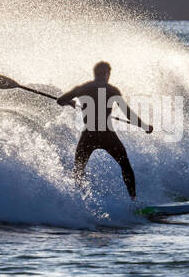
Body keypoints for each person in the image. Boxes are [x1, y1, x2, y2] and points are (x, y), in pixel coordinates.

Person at [56, 61, 153, 199]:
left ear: (95, 74)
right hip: (107, 135)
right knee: (125, 166)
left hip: (88, 135)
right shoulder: (112, 90)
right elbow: (127, 114)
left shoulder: (81, 88)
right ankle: (134, 200)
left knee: (78, 170)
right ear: (107, 74)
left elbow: (60, 101)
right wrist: (144, 126)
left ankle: (78, 200)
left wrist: (70, 102)